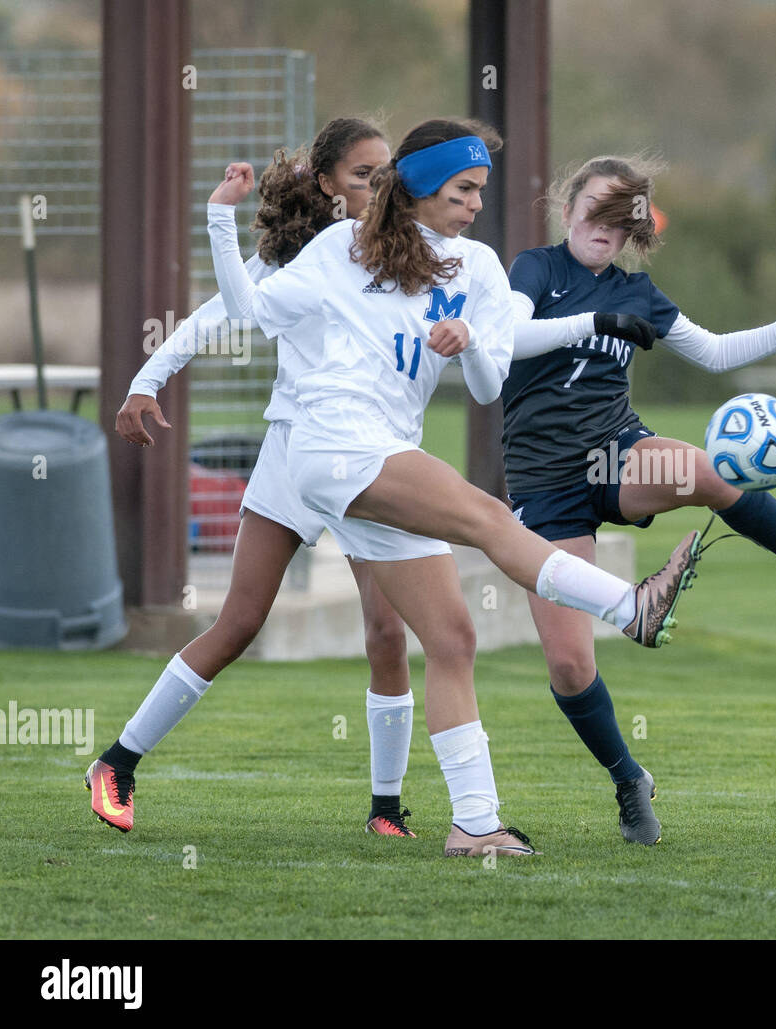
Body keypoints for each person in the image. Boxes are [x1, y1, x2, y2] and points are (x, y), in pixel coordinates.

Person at [223, 119, 703, 852]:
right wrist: (216, 222)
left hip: (381, 453)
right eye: (463, 190)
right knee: (485, 515)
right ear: (418, 186)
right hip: (330, 446)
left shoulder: (477, 266)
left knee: (452, 636)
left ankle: (474, 826)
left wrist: (470, 342)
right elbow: (249, 315)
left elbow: (487, 386)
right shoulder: (339, 246)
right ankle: (628, 608)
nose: (478, 203)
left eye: (481, 189)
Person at [499, 154, 776, 846]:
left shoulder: (640, 292)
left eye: (618, 218)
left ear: (630, 232)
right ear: (569, 212)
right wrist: (591, 321)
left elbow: (714, 352)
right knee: (570, 664)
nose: (602, 227)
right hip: (543, 481)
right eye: (592, 210)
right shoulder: (534, 270)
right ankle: (630, 779)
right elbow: (506, 336)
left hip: (614, 452)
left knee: (709, 472)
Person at [91, 118, 437, 841]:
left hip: (374, 455)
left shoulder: (411, 252)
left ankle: (386, 810)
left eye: (386, 175)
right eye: (361, 174)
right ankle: (116, 762)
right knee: (239, 621)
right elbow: (220, 316)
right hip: (294, 450)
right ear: (324, 182)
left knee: (386, 632)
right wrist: (144, 382)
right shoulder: (299, 260)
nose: (377, 187)